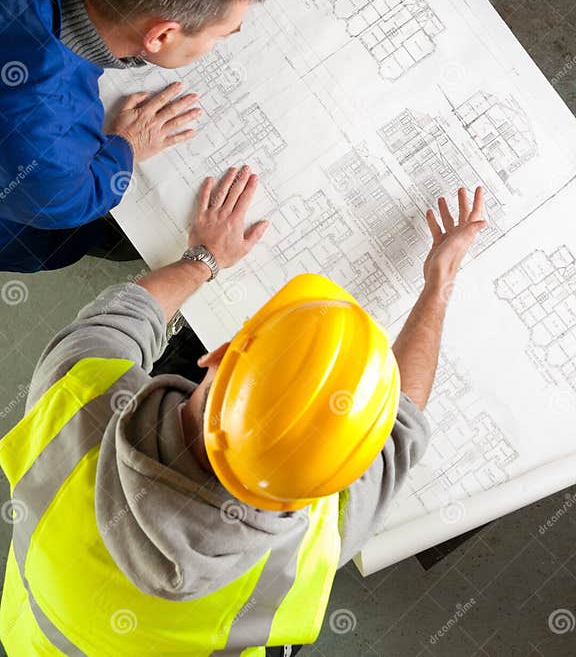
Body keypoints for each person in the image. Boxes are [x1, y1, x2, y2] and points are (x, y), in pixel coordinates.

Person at [0, 168, 486, 656]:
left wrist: (203, 258)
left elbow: (127, 316)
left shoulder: (78, 393)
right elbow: (403, 424)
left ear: (217, 354)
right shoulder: (312, 543)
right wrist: (437, 284)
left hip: (28, 633)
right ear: (341, 469)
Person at [0, 0, 275, 272]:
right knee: (81, 234)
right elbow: (72, 199)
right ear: (160, 36)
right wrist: (124, 147)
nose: (232, 30)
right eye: (224, 32)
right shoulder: (44, 144)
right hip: (22, 216)